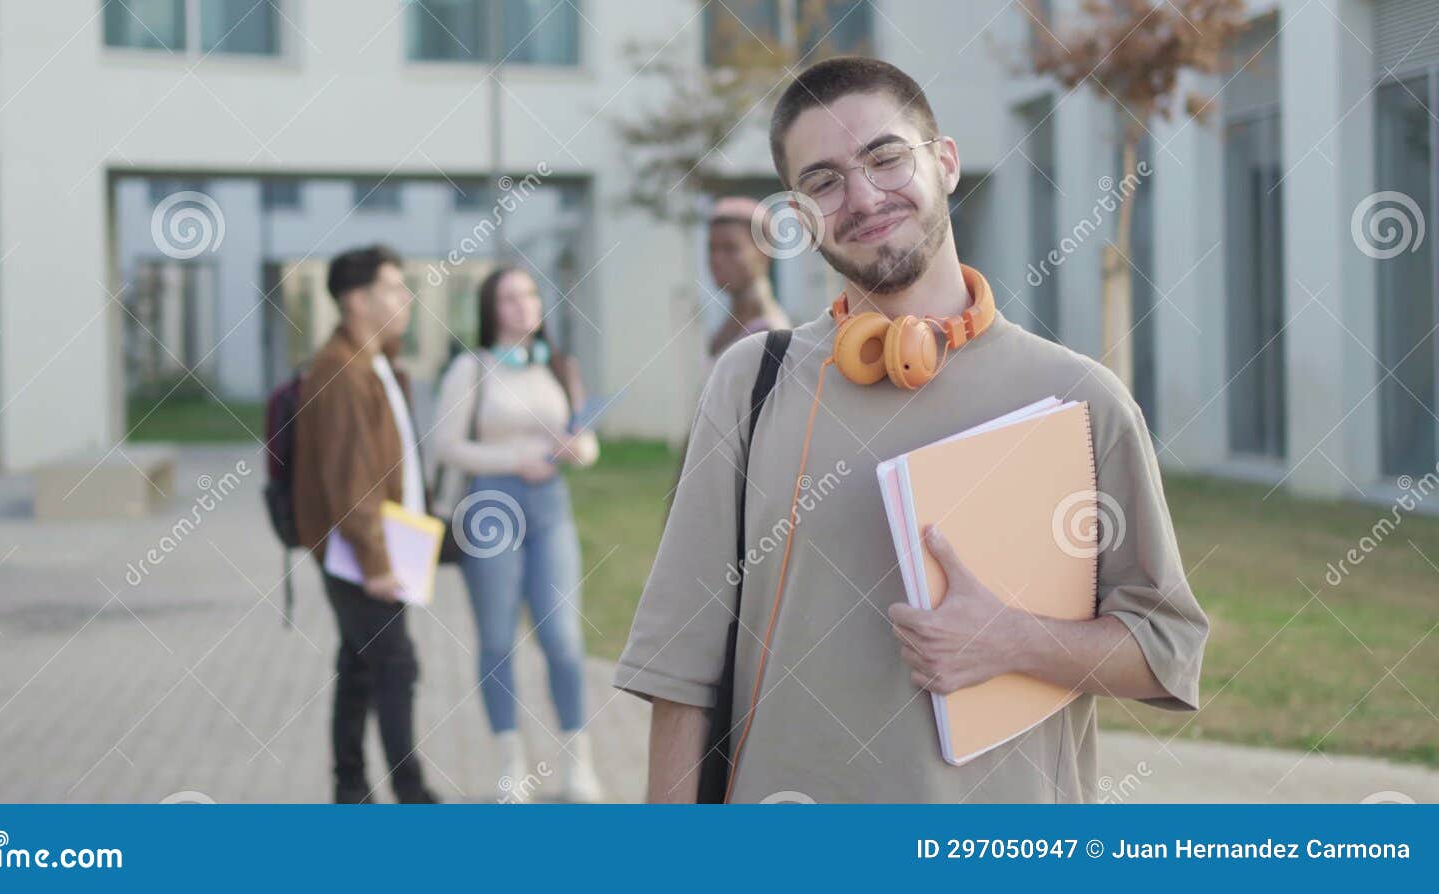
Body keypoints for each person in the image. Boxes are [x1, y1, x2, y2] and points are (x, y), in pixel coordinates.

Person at [615, 56, 1210, 803]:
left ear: (947, 162)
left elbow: (1167, 649)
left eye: (885, 157)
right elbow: (681, 667)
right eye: (824, 181)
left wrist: (1015, 641)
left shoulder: (1078, 399)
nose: (862, 196)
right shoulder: (750, 382)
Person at [431, 265, 604, 802]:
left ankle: (579, 763)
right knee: (498, 639)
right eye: (509, 298)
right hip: (490, 507)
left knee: (563, 639)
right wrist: (514, 456)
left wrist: (578, 449)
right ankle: (510, 765)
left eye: (530, 294)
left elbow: (588, 441)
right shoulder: (471, 369)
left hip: (550, 507)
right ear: (491, 309)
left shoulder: (558, 366)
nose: (523, 305)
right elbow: (445, 445)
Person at [293, 246, 437, 804]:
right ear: (356, 299)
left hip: (382, 540)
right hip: (358, 550)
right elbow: (351, 479)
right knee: (396, 665)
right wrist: (377, 564)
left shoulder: (373, 358)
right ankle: (411, 793)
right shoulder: (342, 370)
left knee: (359, 667)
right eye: (393, 288)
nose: (406, 298)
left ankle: (350, 789)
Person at [704, 196, 791, 365]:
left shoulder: (769, 335)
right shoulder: (729, 326)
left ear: (763, 252)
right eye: (712, 249)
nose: (716, 260)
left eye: (730, 248)